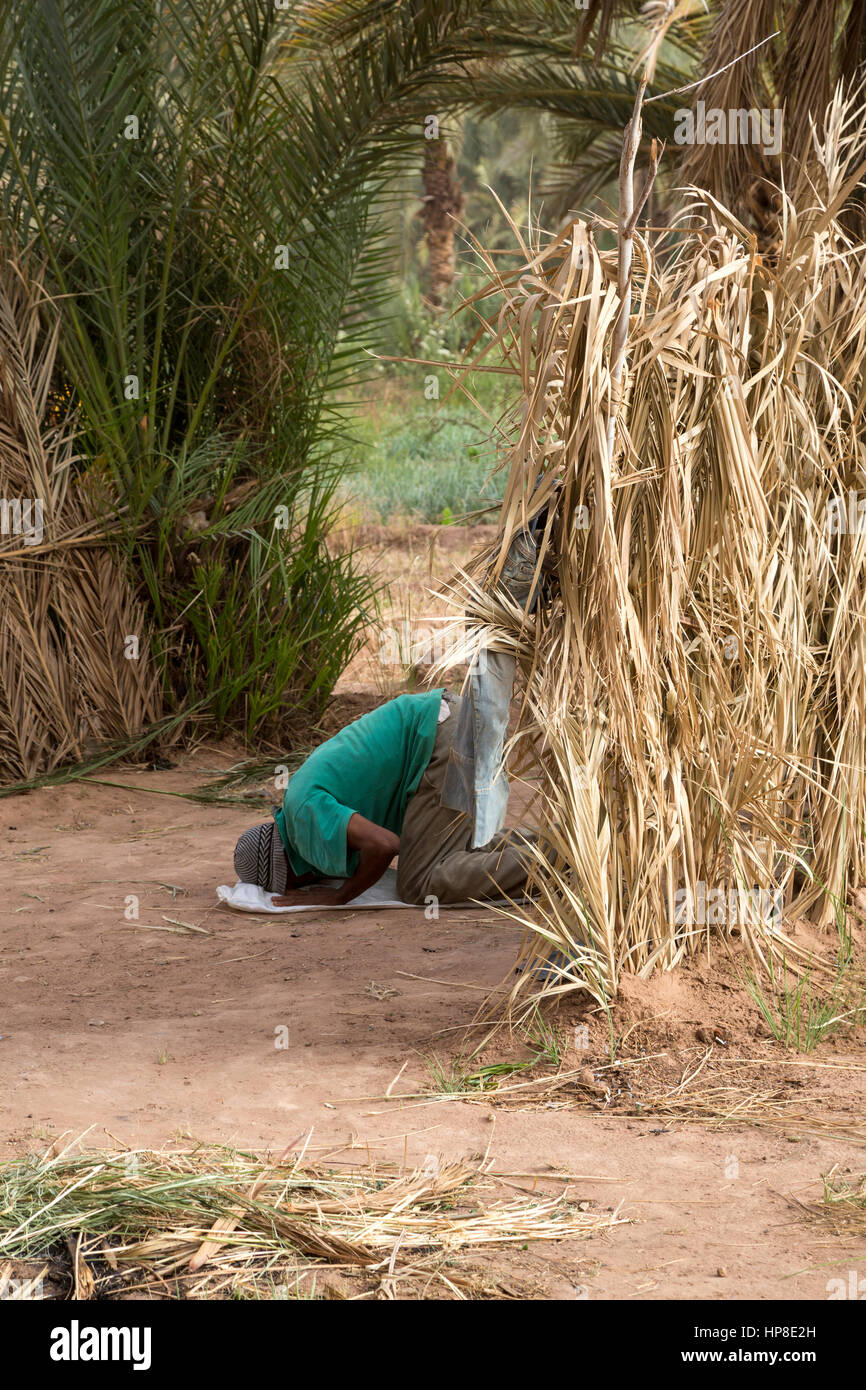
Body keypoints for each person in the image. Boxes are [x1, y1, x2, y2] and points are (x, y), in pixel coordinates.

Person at [232, 688, 535, 907]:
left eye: (292, 883)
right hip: (444, 725)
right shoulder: (298, 802)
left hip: (437, 738)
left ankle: (553, 868)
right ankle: (553, 846)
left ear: (289, 870)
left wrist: (341, 895)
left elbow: (385, 844)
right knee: (456, 851)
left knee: (420, 883)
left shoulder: (303, 817)